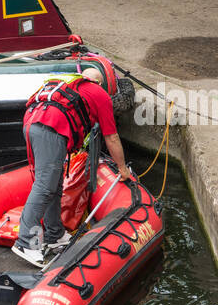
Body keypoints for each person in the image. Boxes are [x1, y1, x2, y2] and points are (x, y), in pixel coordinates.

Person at [12, 70, 134, 267]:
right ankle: (26, 242)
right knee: (45, 186)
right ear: (99, 82)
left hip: (32, 123)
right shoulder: (99, 94)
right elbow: (111, 137)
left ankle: (55, 234)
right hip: (50, 128)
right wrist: (122, 168)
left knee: (54, 184)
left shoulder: (65, 83)